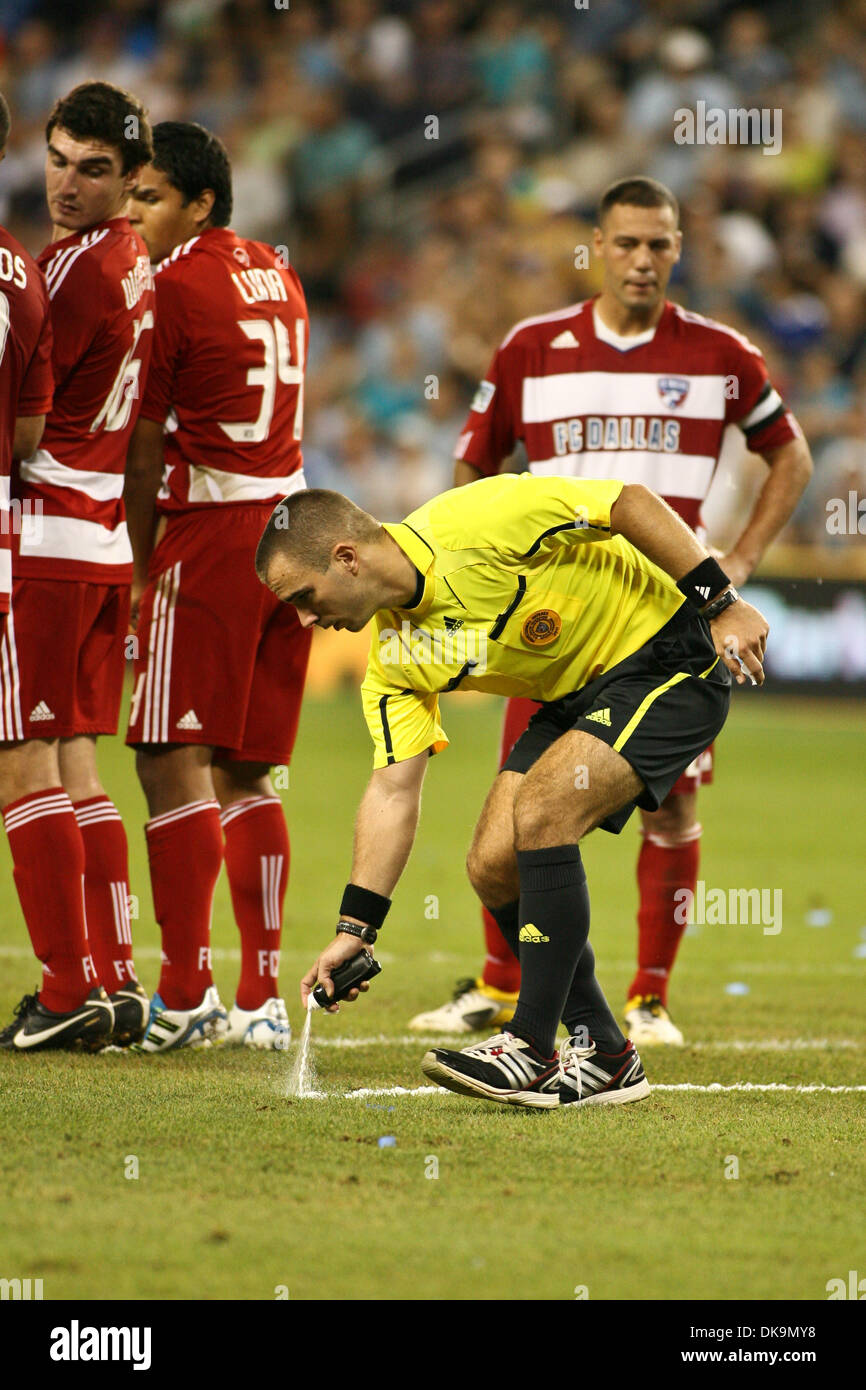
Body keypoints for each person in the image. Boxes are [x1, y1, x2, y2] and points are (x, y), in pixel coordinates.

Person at [410, 175, 812, 1045]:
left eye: (659, 244)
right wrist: (492, 578)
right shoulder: (530, 348)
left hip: (671, 627)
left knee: (670, 808)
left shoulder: (720, 354)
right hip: (553, 627)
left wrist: (736, 561)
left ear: (679, 249)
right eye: (625, 243)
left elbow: (791, 457)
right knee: (518, 811)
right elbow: (473, 471)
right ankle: (504, 984)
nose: (642, 260)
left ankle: (648, 998)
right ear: (596, 245)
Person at [254, 474, 769, 1108]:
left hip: (669, 650)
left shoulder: (478, 521)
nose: (305, 619)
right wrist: (356, 928)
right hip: (577, 695)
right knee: (493, 866)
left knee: (544, 809)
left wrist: (720, 603)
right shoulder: (392, 659)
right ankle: (607, 1054)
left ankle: (530, 1043)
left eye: (304, 597)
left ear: (346, 558)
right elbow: (392, 790)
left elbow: (627, 502)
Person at [124, 122, 312, 1052]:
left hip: (211, 532)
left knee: (166, 755)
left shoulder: (171, 285)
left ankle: (185, 990)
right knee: (249, 769)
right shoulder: (279, 274)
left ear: (199, 202)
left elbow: (145, 433)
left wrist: (137, 556)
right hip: (293, 532)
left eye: (148, 196)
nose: (132, 212)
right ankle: (262, 998)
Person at [0, 82, 154, 1051]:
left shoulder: (62, 273)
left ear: (131, 178)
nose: (68, 182)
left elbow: (19, 429)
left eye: (93, 170)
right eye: (59, 160)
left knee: (20, 757)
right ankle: (114, 972)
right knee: (78, 762)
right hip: (102, 539)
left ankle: (64, 991)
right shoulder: (133, 259)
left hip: (48, 533)